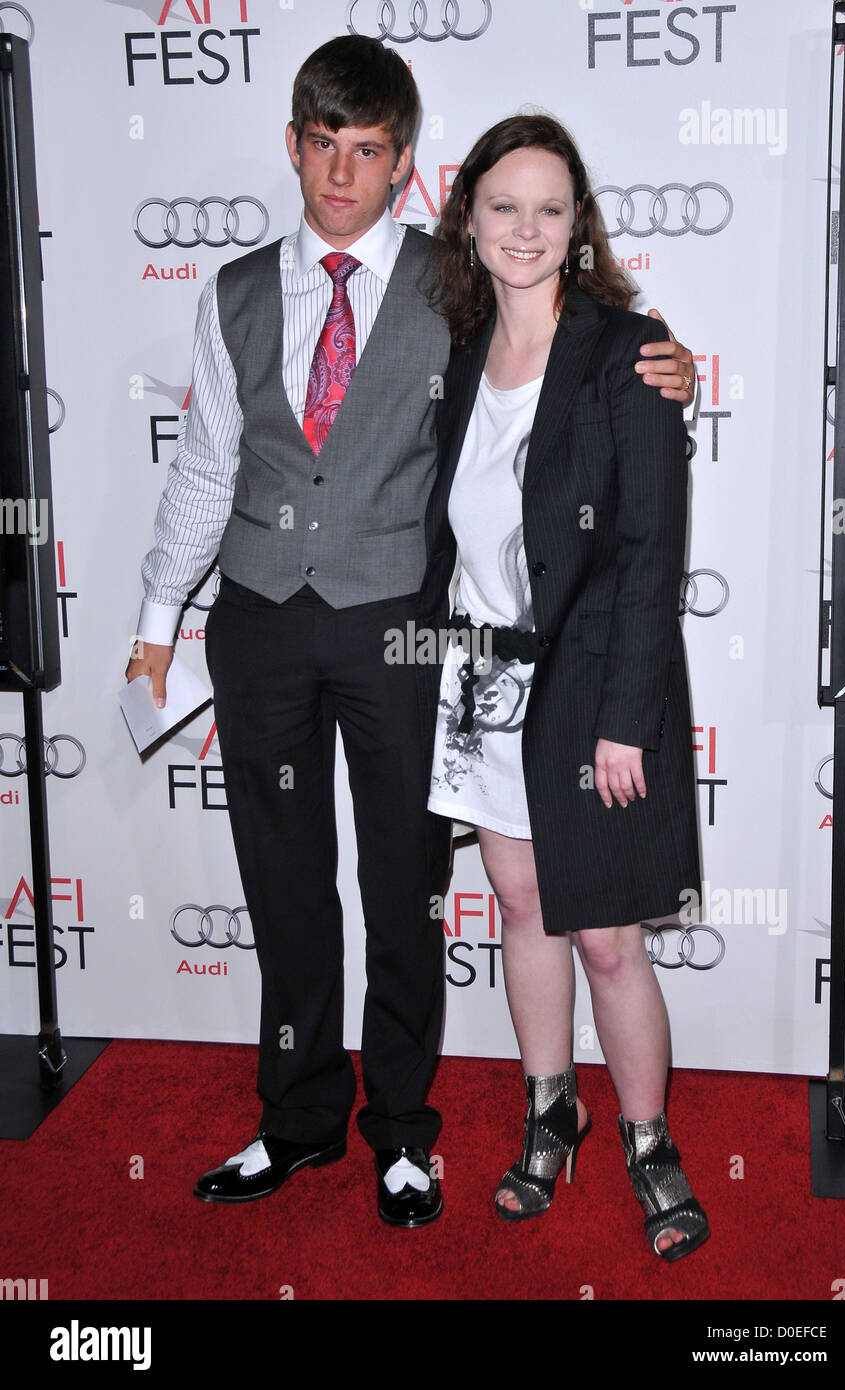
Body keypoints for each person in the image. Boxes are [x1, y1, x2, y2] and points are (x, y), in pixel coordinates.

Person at [126, 37, 696, 1227]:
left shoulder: (449, 284)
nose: (342, 170)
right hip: (269, 622)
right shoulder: (238, 291)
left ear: (402, 166)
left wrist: (667, 363)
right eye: (322, 143)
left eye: (368, 148)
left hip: (407, 635)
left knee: (405, 892)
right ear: (292, 146)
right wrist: (151, 620)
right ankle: (295, 1117)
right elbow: (203, 468)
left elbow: (581, 366)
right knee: (286, 886)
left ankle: (403, 1132)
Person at [419, 114, 708, 1260]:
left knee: (605, 939)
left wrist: (625, 719)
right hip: (481, 688)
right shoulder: (455, 351)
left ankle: (648, 1140)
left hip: (592, 695)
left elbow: (650, 552)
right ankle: (552, 1111)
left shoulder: (630, 352)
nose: (526, 229)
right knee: (523, 910)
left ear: (576, 223)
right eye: (504, 206)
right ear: (471, 222)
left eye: (550, 207)